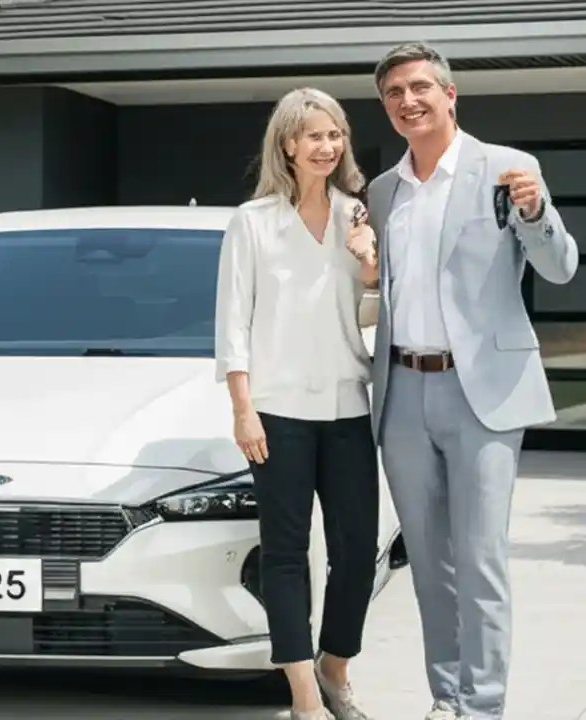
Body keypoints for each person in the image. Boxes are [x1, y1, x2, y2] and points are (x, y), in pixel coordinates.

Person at [364, 42, 580, 720]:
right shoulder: (383, 192)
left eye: (420, 87)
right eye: (394, 92)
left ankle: (482, 707)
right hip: (402, 393)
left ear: (450, 94)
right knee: (430, 563)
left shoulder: (509, 170)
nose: (408, 101)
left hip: (483, 391)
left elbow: (560, 268)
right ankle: (447, 697)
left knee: (480, 558)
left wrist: (537, 214)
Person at [214, 87, 382, 720]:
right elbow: (233, 322)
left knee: (357, 550)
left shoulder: (355, 214)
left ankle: (334, 667)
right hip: (277, 413)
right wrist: (243, 408)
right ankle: (305, 696)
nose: (327, 146)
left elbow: (371, 310)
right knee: (285, 554)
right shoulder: (252, 222)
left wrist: (370, 266)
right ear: (287, 144)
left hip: (347, 406)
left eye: (335, 134)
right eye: (314, 135)